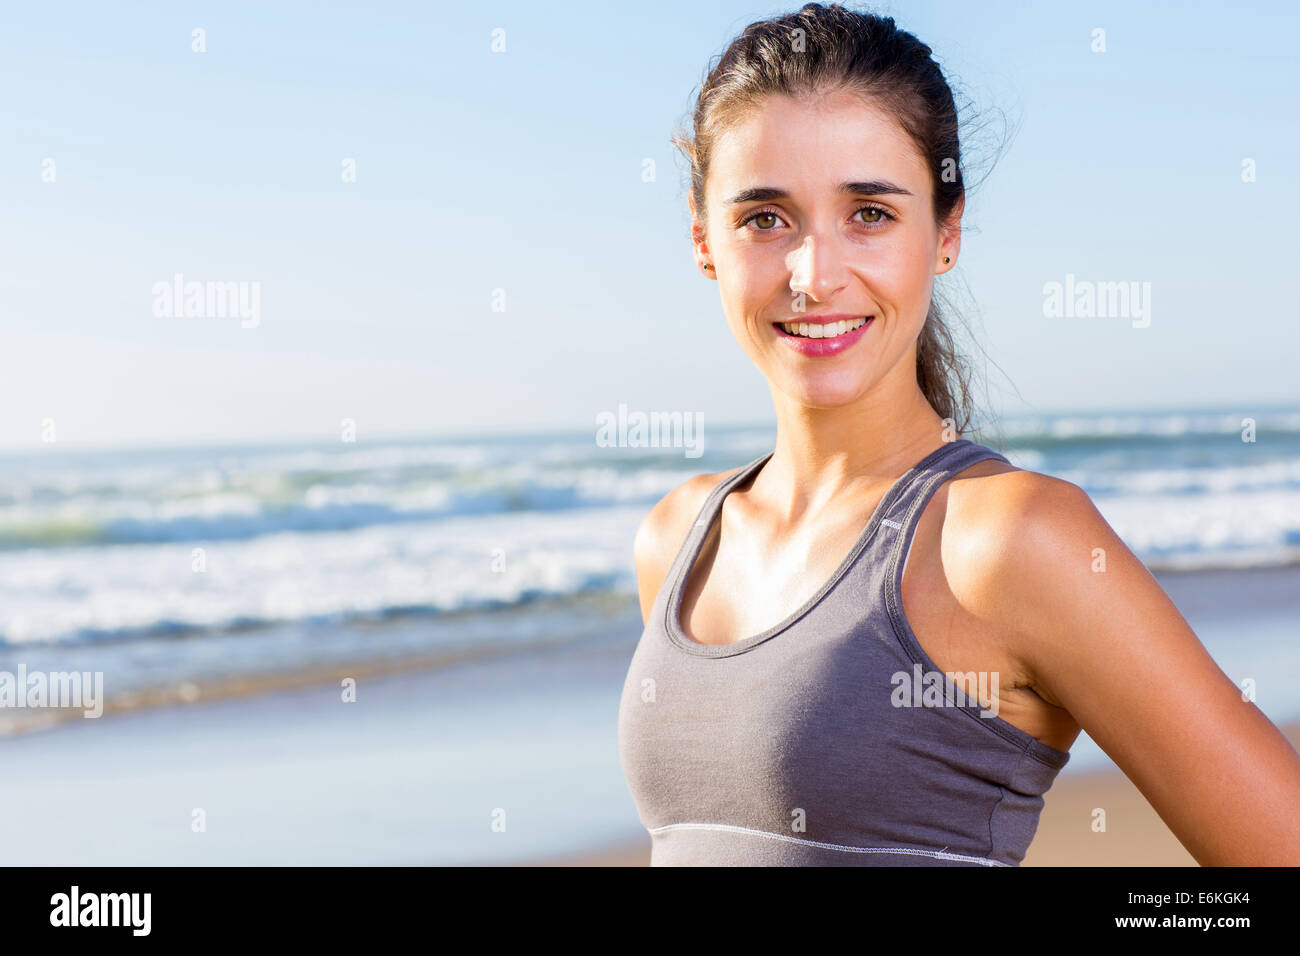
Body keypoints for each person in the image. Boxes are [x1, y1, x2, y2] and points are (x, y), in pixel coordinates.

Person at [616, 1, 1300, 866]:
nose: (816, 275)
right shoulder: (679, 536)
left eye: (870, 212)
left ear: (946, 232)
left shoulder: (1008, 541)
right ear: (701, 238)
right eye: (765, 218)